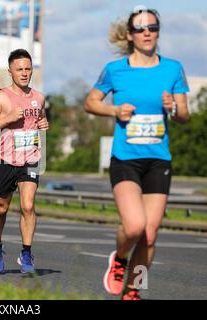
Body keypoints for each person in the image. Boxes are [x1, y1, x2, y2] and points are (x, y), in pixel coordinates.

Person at [84, 8, 190, 300]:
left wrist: (173, 106)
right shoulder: (115, 70)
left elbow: (184, 116)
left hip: (158, 159)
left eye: (152, 28)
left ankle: (134, 290)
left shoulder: (173, 68)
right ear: (130, 35)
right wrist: (114, 110)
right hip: (126, 158)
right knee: (134, 226)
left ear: (157, 32)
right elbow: (91, 103)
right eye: (141, 28)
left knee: (150, 234)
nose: (147, 33)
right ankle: (119, 258)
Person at [0, 48, 49, 274]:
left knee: (28, 206)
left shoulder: (38, 97)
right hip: (4, 159)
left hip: (30, 157)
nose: (24, 73)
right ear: (10, 71)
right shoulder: (1, 96)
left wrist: (43, 124)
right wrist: (8, 118)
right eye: (19, 69)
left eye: (28, 68)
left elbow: (40, 119)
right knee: (1, 208)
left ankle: (27, 253)